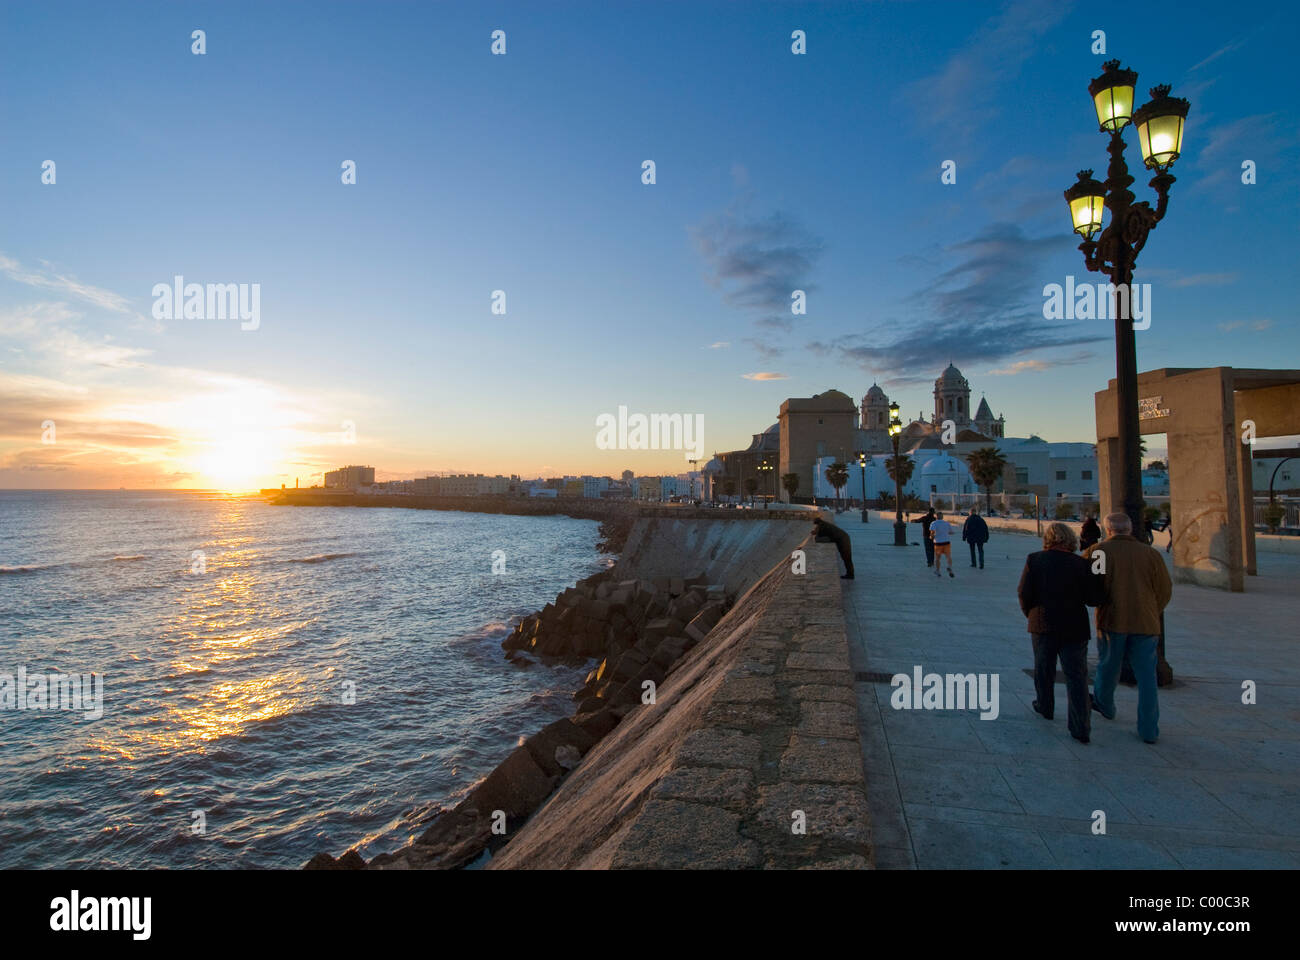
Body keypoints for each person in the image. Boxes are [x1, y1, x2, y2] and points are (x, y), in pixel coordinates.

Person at [1084, 512, 1173, 744]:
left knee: (1108, 665)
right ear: (1131, 528)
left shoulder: (1100, 552)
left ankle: (1105, 705)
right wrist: (1152, 610)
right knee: (1147, 677)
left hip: (1113, 621)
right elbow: (1164, 590)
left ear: (1108, 530)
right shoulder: (1150, 554)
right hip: (1145, 623)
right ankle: (1148, 729)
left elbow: (1092, 586)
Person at [1018, 522, 1103, 743]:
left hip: (1043, 623)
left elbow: (1024, 592)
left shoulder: (1035, 559)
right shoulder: (1082, 564)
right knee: (1076, 676)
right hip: (1074, 625)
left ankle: (1045, 706)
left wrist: (1032, 615)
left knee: (1043, 669)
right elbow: (1093, 598)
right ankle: (1080, 726)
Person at [929, 510, 954, 578]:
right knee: (948, 556)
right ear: (942, 517)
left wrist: (931, 537)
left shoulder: (934, 523)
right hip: (946, 542)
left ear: (936, 517)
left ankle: (938, 571)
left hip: (938, 543)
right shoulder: (946, 523)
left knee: (937, 558)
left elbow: (932, 533)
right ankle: (949, 567)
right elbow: (951, 532)